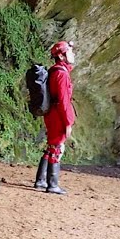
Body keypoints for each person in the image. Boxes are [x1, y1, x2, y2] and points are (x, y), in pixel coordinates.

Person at [33, 40, 76, 195]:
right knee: (57, 148)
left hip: (52, 113)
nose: (73, 54)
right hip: (58, 115)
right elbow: (64, 101)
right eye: (69, 52)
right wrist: (68, 122)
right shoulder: (61, 74)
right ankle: (52, 184)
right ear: (62, 56)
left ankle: (41, 180)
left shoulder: (54, 71)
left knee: (51, 147)